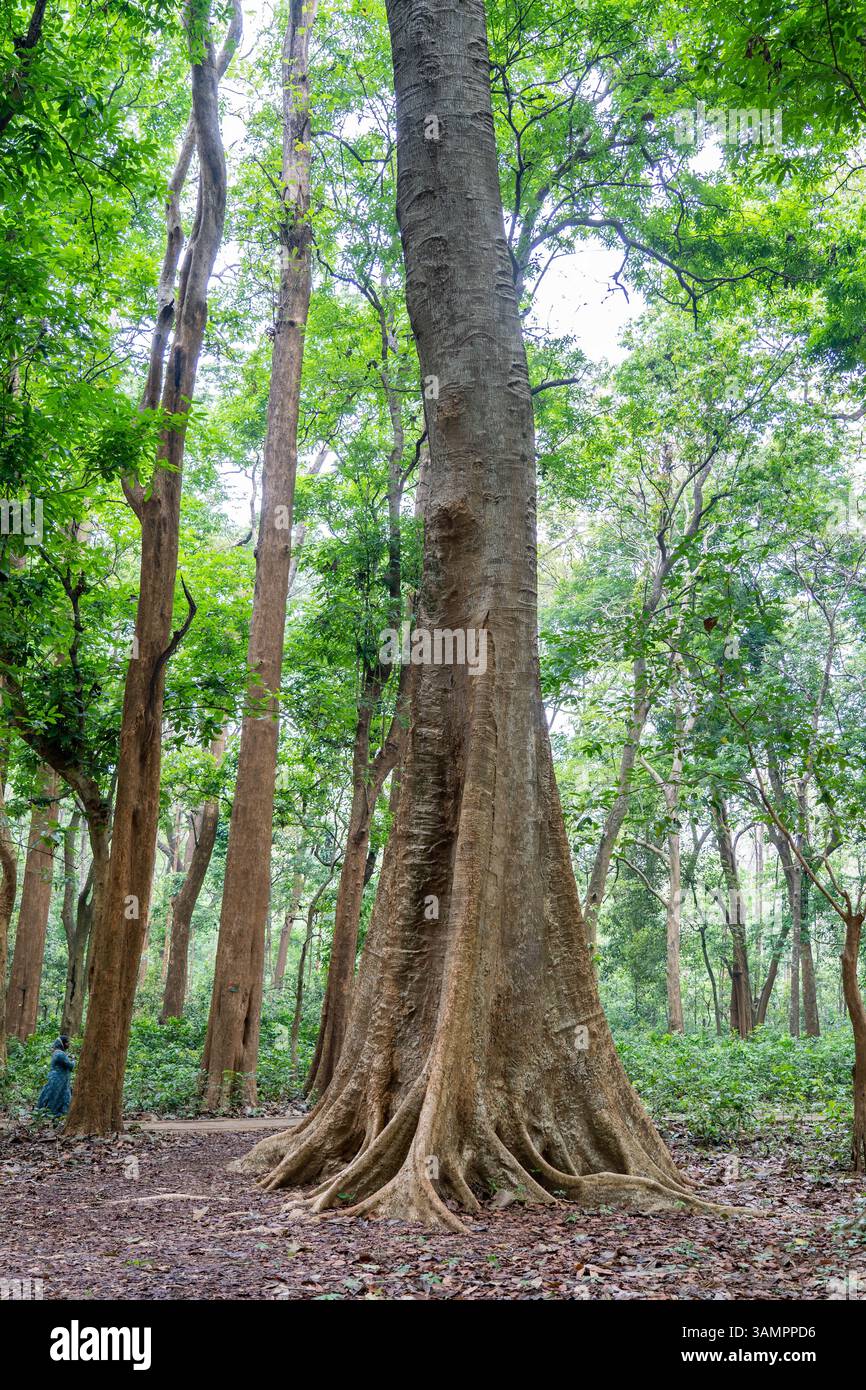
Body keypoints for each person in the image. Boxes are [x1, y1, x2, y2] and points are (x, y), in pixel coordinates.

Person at [36, 1036, 75, 1117]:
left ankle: (56, 1113)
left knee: (59, 1095)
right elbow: (70, 1066)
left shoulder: (58, 1053)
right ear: (62, 1044)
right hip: (57, 1079)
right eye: (68, 1043)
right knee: (54, 1096)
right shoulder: (60, 1054)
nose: (69, 1044)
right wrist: (74, 1060)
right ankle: (49, 1114)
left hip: (59, 1079)